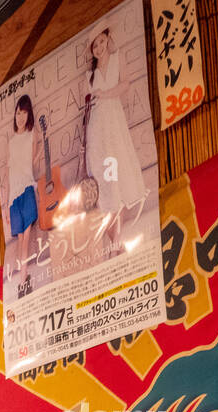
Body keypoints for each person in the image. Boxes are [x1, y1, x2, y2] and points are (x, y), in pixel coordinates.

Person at [84, 26, 147, 255]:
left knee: (116, 177)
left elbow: (125, 84)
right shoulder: (89, 75)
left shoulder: (117, 58)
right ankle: (114, 240)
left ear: (108, 39)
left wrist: (105, 93)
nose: (99, 48)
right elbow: (88, 105)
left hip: (114, 124)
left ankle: (116, 240)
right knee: (105, 182)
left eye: (101, 42)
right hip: (97, 130)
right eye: (95, 46)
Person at [6, 94, 44, 289]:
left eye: (24, 113)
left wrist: (39, 151)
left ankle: (23, 280)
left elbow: (32, 162)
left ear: (28, 115)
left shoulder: (33, 135)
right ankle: (23, 280)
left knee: (26, 236)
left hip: (27, 188)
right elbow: (10, 171)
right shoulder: (11, 142)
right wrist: (6, 206)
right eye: (18, 113)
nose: (20, 117)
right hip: (14, 197)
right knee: (20, 239)